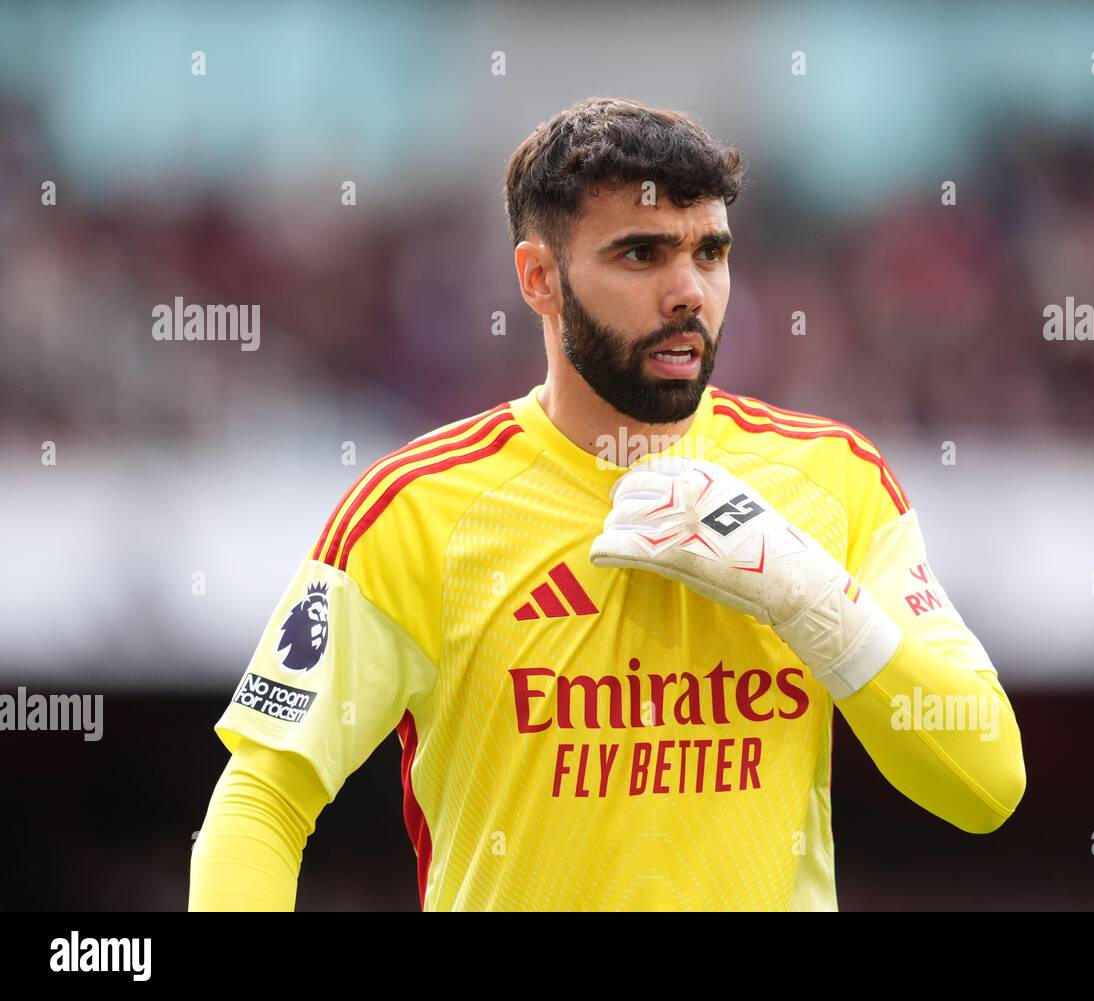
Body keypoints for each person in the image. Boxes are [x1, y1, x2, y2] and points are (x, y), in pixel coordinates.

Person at [189, 96, 1025, 912]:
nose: (689, 291)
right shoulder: (413, 512)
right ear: (540, 278)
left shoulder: (835, 479)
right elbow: (263, 799)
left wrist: (809, 595)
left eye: (710, 252)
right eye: (641, 255)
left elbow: (986, 782)